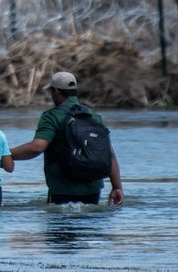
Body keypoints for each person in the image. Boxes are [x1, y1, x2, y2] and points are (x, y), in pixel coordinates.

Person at [9, 71, 124, 205]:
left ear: (57, 91)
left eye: (51, 92)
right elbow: (109, 154)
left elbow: (37, 147)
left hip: (62, 189)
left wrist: (7, 154)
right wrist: (117, 187)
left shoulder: (51, 116)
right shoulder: (93, 116)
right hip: (92, 190)